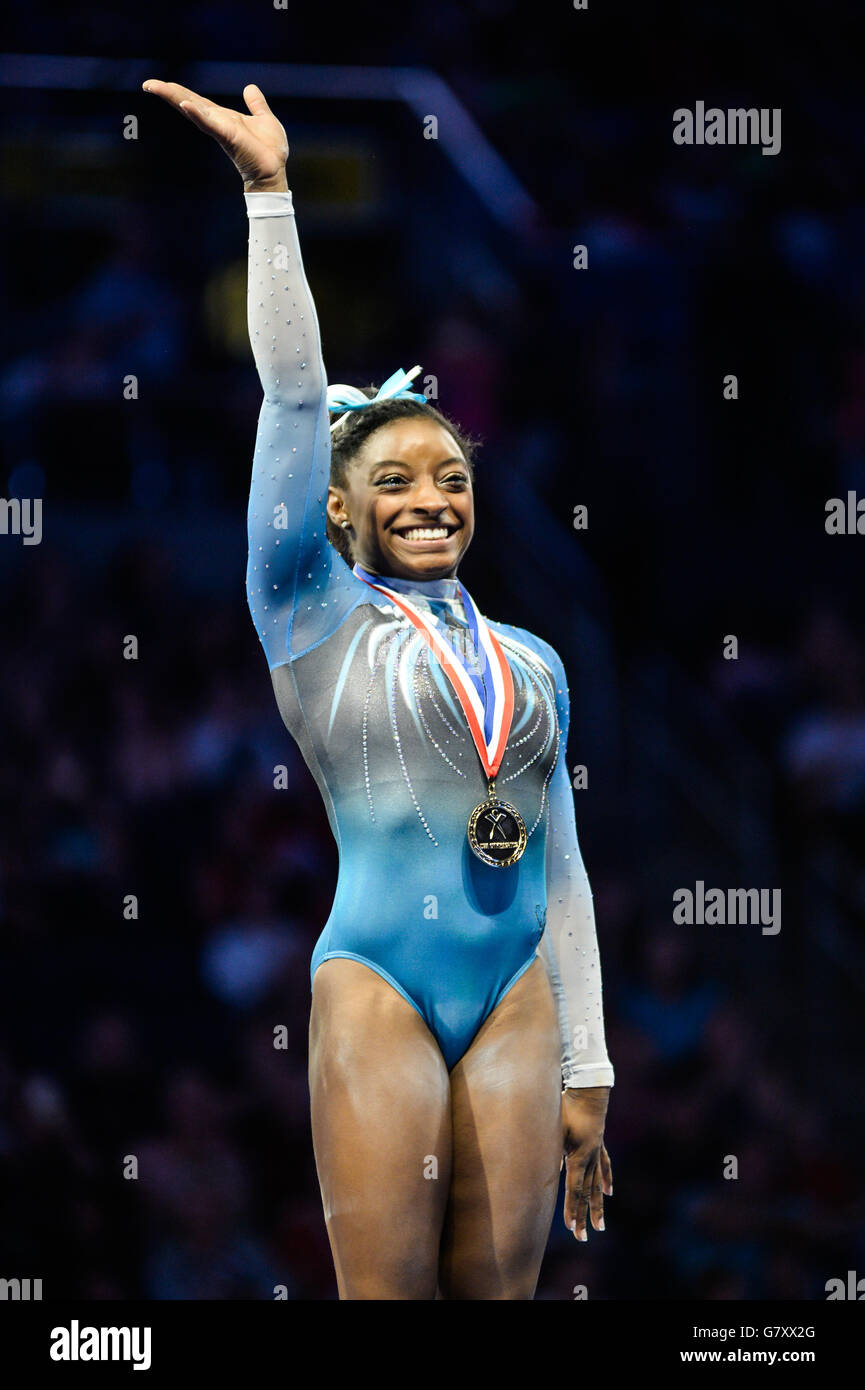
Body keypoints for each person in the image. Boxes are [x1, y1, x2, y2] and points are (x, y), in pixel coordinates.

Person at [142, 78, 615, 1300]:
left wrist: (589, 1064)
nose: (431, 498)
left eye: (450, 477)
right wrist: (270, 195)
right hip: (378, 983)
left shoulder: (532, 660)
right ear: (339, 507)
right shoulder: (305, 607)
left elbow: (558, 861)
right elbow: (298, 396)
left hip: (518, 992)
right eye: (397, 477)